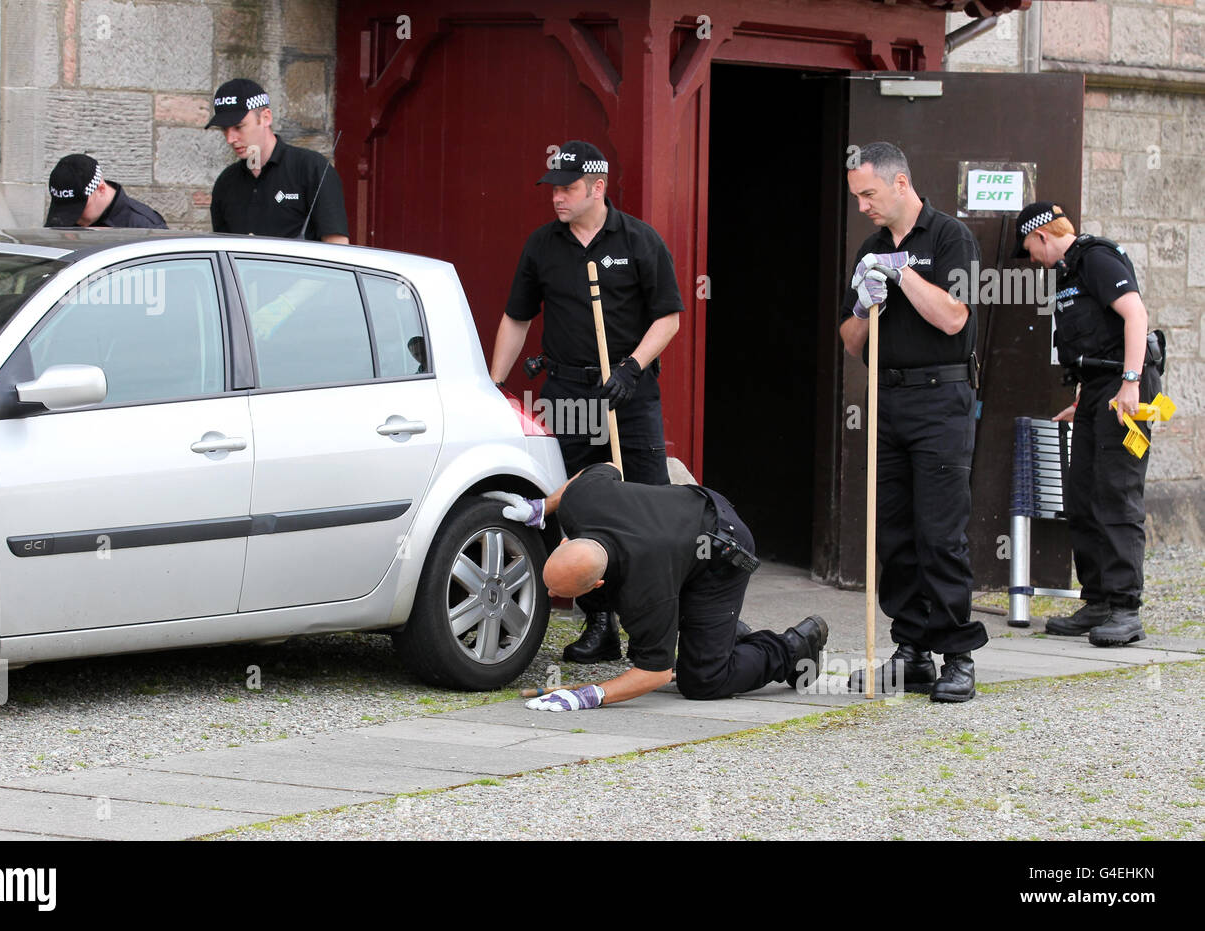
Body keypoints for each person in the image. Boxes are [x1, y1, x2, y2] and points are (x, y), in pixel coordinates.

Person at [490, 140, 683, 665]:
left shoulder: (640, 241)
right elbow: (517, 317)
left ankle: (657, 625)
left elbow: (669, 317)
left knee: (646, 504)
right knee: (577, 506)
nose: (557, 197)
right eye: (553, 187)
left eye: (568, 187)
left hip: (629, 392)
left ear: (598, 188)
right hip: (569, 392)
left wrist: (631, 368)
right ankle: (601, 622)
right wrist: (493, 384)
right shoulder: (542, 245)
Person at [485, 466, 827, 710]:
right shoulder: (582, 502)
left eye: (562, 594)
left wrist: (591, 695)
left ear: (598, 581)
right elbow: (604, 467)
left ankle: (793, 650)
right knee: (687, 638)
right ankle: (721, 634)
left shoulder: (647, 591)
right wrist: (544, 506)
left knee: (703, 680)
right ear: (562, 544)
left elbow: (655, 673)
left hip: (721, 549)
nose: (549, 598)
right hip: (680, 528)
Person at [838, 141, 987, 702]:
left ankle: (957, 654)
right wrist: (859, 305)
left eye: (869, 194)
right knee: (894, 532)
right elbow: (852, 343)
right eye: (857, 197)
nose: (864, 207)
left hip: (941, 400)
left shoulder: (951, 238)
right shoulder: (871, 248)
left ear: (901, 185)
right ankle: (912, 649)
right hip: (889, 398)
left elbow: (953, 317)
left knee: (940, 532)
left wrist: (902, 277)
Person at [1015, 202, 1161, 646]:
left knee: (1116, 494)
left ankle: (1124, 608)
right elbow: (1092, 341)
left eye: (1029, 249)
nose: (1032, 260)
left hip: (1128, 388)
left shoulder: (1096, 258)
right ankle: (1097, 600)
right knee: (1083, 493)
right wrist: (1083, 397)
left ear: (1042, 236)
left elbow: (1136, 316)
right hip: (1100, 389)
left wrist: (1130, 384)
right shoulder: (1068, 273)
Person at [206, 78, 349, 243]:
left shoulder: (311, 168)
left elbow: (337, 247)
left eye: (239, 127)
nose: (230, 138)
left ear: (266, 118)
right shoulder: (226, 183)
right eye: (225, 129)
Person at [44, 154, 166, 229]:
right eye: (63, 210)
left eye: (78, 208)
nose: (72, 219)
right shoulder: (63, 222)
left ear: (101, 189)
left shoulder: (145, 228)